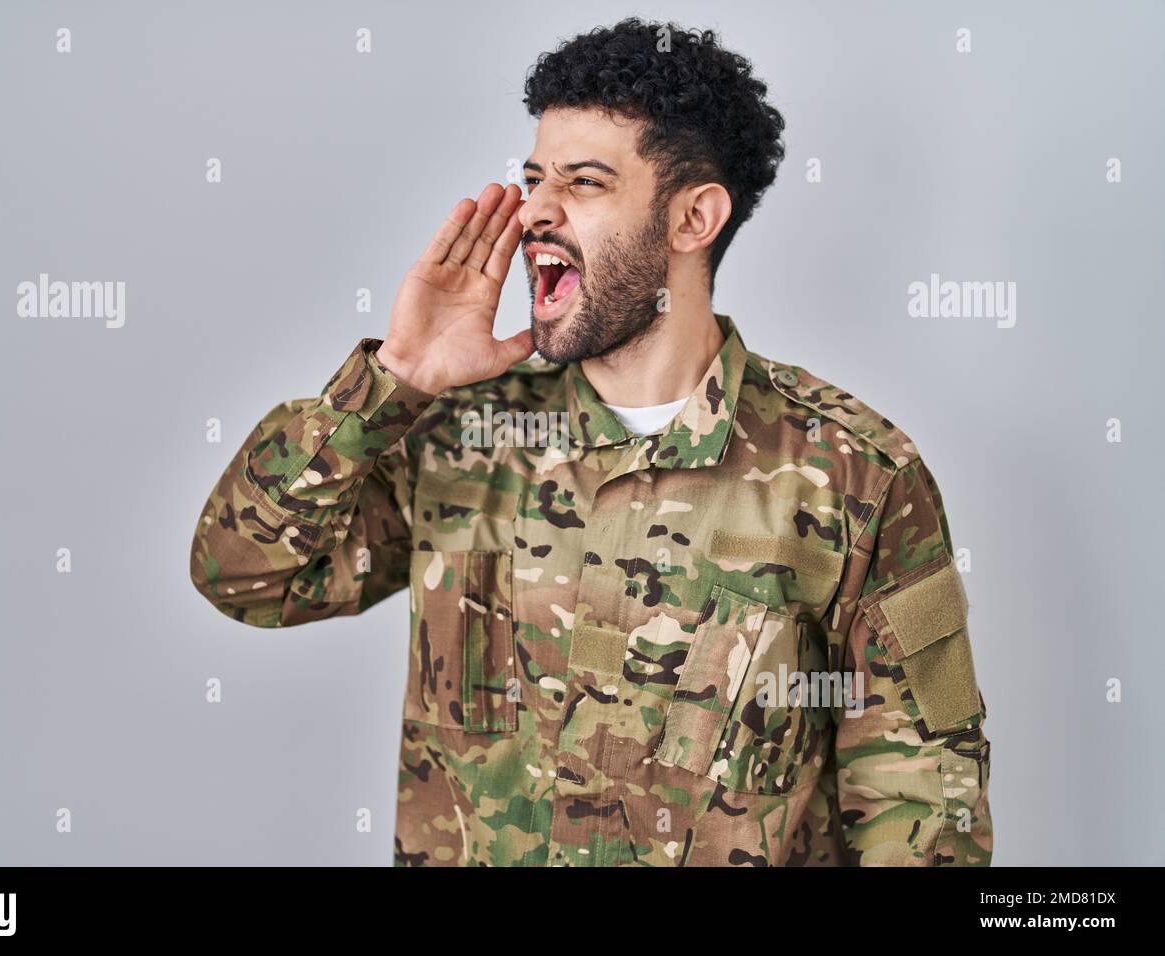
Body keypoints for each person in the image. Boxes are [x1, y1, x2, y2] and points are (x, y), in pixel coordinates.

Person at [190, 17, 992, 867]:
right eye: (534, 177)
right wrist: (393, 381)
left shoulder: (856, 477)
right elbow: (245, 579)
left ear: (693, 218)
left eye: (584, 182)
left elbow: (924, 804)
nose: (534, 210)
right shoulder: (459, 437)